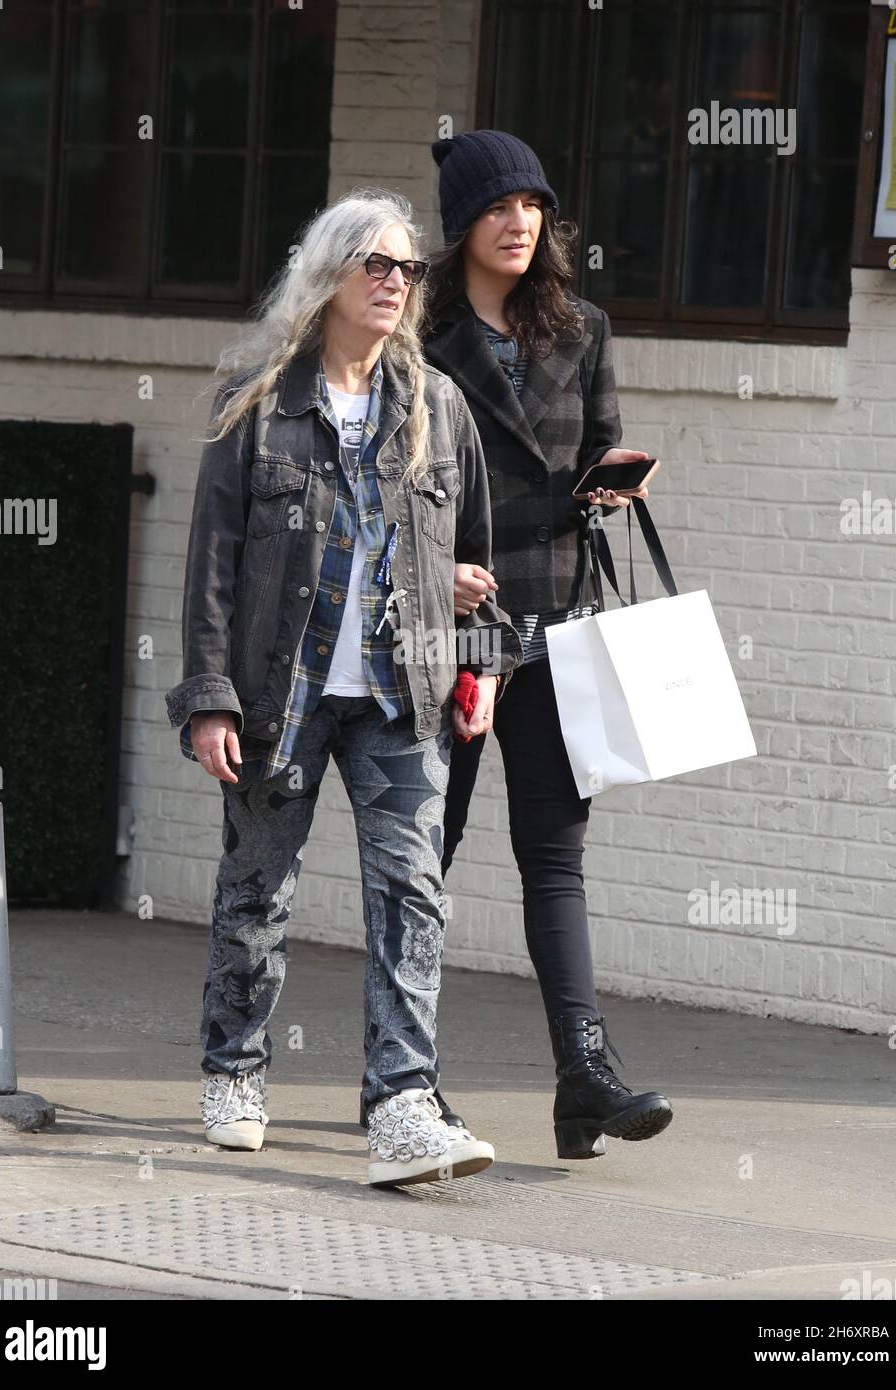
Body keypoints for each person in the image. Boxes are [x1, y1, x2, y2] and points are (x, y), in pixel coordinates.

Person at [165, 189, 521, 1187]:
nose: (393, 282)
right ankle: (234, 1068)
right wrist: (208, 696)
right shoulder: (259, 400)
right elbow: (212, 567)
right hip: (283, 688)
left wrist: (478, 664)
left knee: (413, 891)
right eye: (375, 262)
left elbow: (475, 562)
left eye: (407, 268)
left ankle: (404, 1104)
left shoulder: (438, 406)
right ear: (327, 274)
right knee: (259, 887)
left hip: (402, 692)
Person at [421, 131, 674, 1161]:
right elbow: (397, 482)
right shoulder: (422, 342)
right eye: (499, 208)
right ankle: (401, 1075)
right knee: (422, 852)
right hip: (456, 626)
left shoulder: (584, 327)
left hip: (556, 622)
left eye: (532, 204)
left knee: (555, 858)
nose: (520, 221)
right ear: (462, 229)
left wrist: (615, 483)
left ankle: (585, 1075)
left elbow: (599, 445)